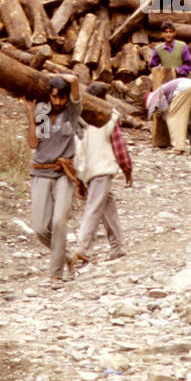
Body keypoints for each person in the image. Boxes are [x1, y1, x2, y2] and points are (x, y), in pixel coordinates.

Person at [24, 75, 83, 287]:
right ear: (49, 96)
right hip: (41, 171)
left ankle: (55, 274)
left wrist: (65, 77)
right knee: (40, 228)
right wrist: (30, 113)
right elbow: (33, 144)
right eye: (55, 98)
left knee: (59, 222)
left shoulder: (72, 112)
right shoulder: (42, 113)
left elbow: (75, 83)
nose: (58, 102)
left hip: (64, 173)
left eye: (62, 98)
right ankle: (68, 257)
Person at [70, 83, 132, 269]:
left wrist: (78, 177)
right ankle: (83, 249)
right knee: (95, 207)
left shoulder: (79, 118)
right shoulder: (109, 117)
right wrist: (127, 169)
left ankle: (117, 247)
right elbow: (119, 147)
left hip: (87, 169)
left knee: (106, 204)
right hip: (103, 168)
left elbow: (76, 149)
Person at [144, 70, 191, 154]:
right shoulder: (165, 88)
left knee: (174, 117)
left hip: (183, 89)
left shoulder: (156, 93)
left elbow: (163, 109)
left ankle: (178, 147)